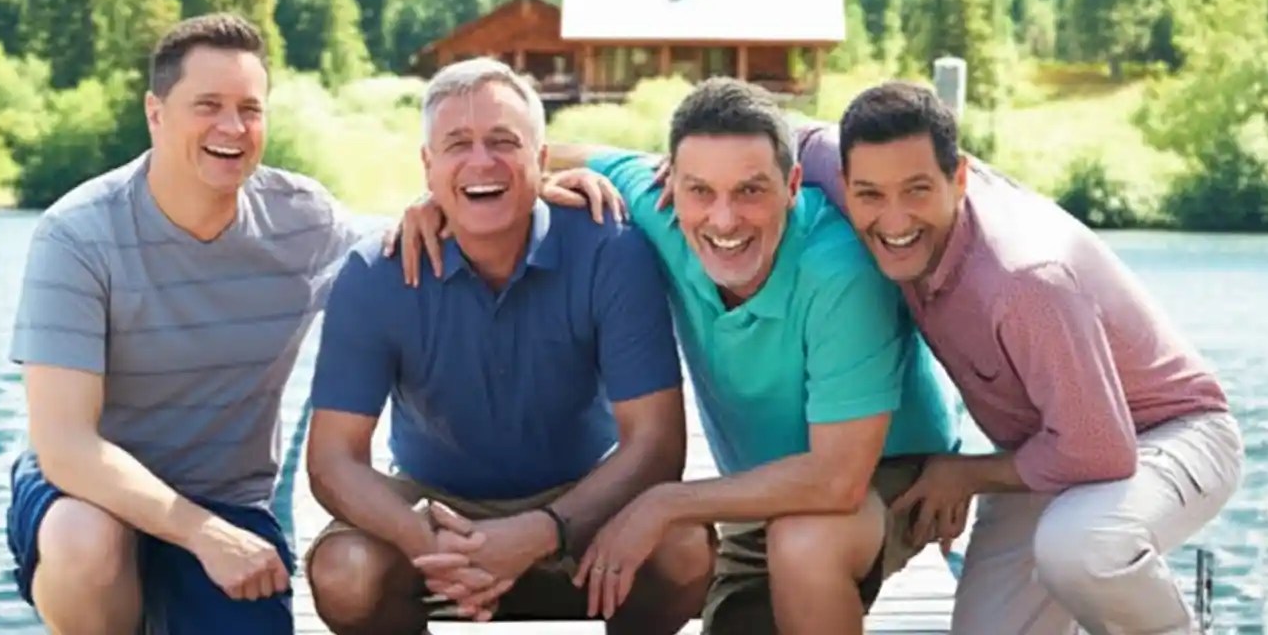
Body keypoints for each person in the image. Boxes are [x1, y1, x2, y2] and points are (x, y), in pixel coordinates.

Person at [404, 77, 962, 635]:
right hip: (764, 486)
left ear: (792, 184)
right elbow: (549, 152)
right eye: (701, 190)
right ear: (672, 181)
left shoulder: (840, 272)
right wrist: (451, 198)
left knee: (804, 542)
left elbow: (837, 479)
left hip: (891, 471)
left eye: (750, 190)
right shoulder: (654, 206)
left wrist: (665, 503)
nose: (723, 219)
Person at [794, 81, 1244, 635]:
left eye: (917, 190)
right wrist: (668, 174)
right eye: (870, 196)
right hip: (1048, 448)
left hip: (1169, 432)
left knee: (1080, 547)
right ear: (845, 184)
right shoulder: (854, 173)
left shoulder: (1023, 281)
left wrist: (964, 474)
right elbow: (788, 136)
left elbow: (1100, 453)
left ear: (958, 177)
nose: (893, 220)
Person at [300, 56, 714, 635]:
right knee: (345, 571)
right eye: (457, 144)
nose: (481, 161)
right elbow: (332, 461)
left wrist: (543, 530)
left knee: (682, 548)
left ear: (541, 160)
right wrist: (423, 538)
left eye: (503, 141)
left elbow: (656, 442)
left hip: (581, 505)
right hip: (433, 509)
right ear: (428, 165)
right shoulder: (376, 271)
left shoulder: (611, 250)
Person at [3, 13, 366, 634]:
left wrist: (550, 187)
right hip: (89, 494)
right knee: (85, 542)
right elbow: (65, 446)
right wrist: (202, 535)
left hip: (228, 500)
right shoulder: (78, 234)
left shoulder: (305, 222)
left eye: (250, 108)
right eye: (208, 105)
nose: (232, 127)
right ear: (156, 113)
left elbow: (419, 245)